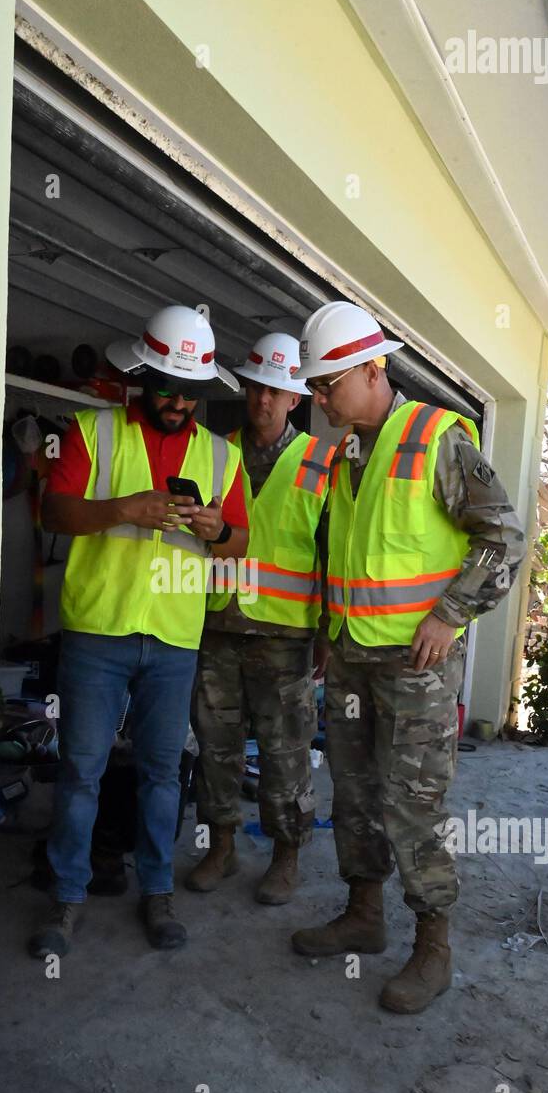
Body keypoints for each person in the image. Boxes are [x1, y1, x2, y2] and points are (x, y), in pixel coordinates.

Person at [291, 300, 527, 1013]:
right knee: (355, 793)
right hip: (357, 658)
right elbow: (350, 558)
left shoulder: (436, 438)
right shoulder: (345, 455)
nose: (320, 398)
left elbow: (505, 540)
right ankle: (364, 915)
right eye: (316, 387)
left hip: (417, 665)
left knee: (414, 805)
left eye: (328, 383)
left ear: (372, 367)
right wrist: (333, 635)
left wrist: (451, 615)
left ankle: (433, 949)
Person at [29, 305, 247, 957]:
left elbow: (241, 544)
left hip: (176, 641)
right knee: (80, 775)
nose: (179, 402)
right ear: (141, 376)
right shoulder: (93, 432)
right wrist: (124, 509)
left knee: (161, 776)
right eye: (166, 387)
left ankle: (158, 892)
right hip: (98, 633)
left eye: (191, 392)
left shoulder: (220, 455)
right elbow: (54, 510)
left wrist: (219, 533)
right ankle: (67, 900)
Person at [188, 332, 330, 905]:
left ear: (296, 398)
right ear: (245, 389)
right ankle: (219, 847)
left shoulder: (322, 462)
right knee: (216, 746)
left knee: (285, 751)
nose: (264, 401)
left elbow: (331, 551)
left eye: (276, 391)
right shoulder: (216, 451)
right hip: (217, 623)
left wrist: (326, 629)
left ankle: (285, 856)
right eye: (256, 388)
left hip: (286, 633)